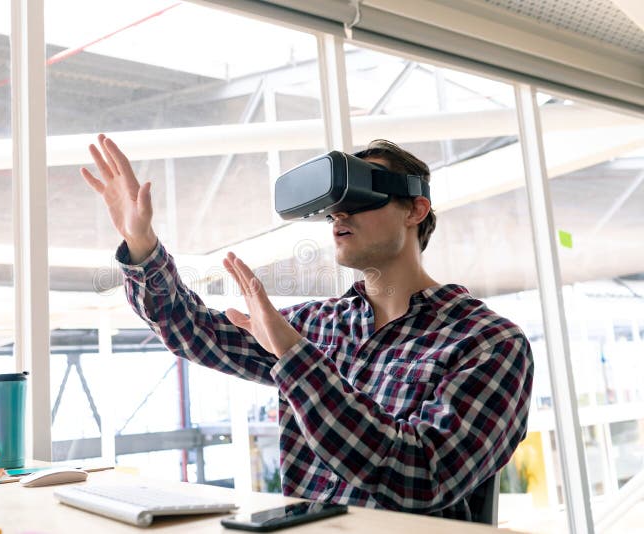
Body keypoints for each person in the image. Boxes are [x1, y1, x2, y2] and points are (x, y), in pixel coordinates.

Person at [81, 134, 534, 521]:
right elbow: (192, 331)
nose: (338, 216)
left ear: (415, 210)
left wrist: (296, 357)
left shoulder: (488, 343)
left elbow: (421, 475)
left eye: (356, 199)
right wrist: (141, 244)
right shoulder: (317, 324)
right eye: (332, 206)